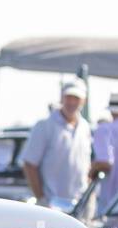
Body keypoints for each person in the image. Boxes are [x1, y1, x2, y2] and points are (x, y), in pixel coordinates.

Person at [19, 80, 92, 212]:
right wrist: (41, 199)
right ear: (61, 98)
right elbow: (29, 164)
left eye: (76, 98)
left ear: (83, 101)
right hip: (52, 205)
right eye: (68, 97)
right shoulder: (44, 125)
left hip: (79, 206)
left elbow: (85, 165)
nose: (71, 102)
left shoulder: (85, 127)